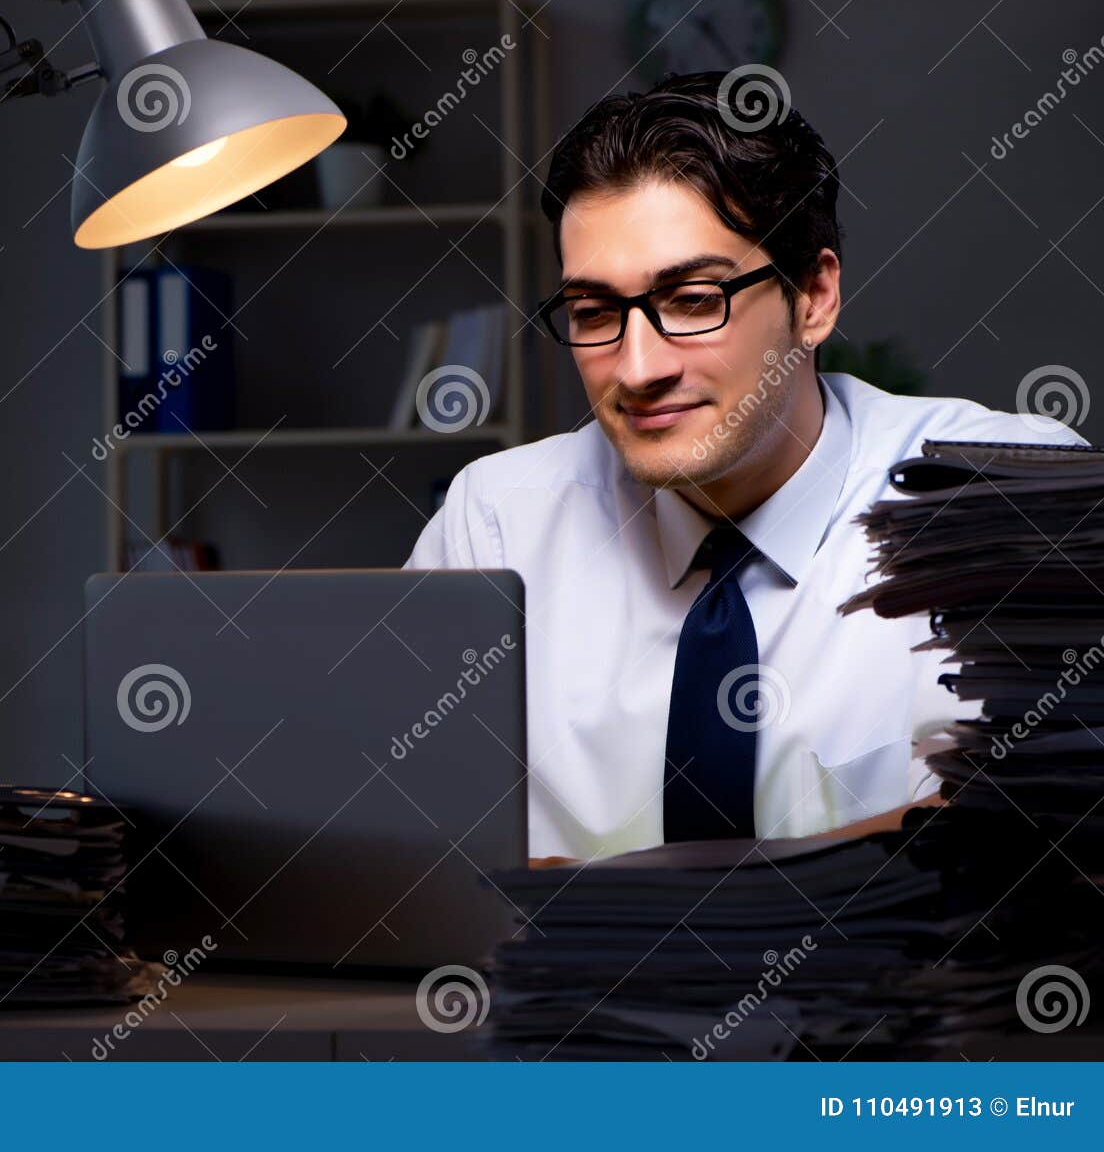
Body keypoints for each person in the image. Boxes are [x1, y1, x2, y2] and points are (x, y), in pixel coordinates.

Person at [404, 70, 1086, 862]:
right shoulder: (496, 523)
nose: (636, 367)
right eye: (593, 313)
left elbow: (1040, 842)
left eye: (694, 300)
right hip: (569, 991)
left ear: (814, 296)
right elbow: (402, 842)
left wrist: (609, 895)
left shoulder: (1005, 495)